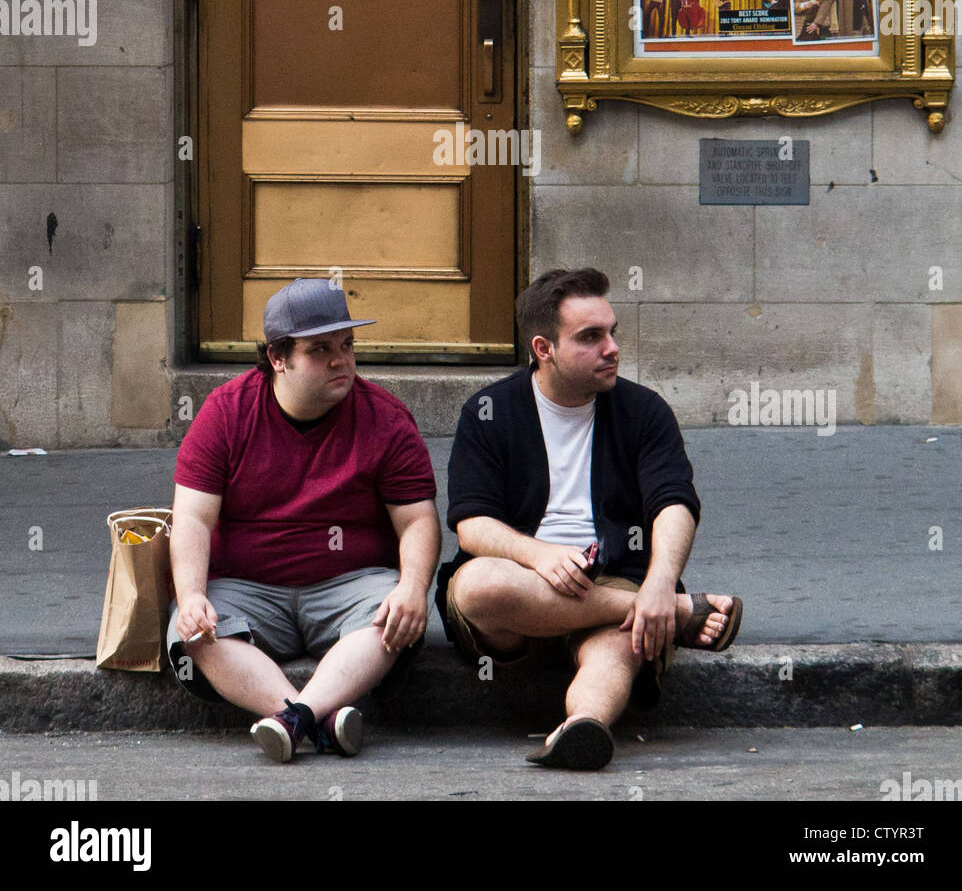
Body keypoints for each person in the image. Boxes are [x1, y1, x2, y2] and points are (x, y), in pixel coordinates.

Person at [435, 268, 742, 771]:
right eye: (590, 337)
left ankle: (583, 727)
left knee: (623, 642)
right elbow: (472, 524)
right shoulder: (489, 411)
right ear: (544, 348)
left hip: (615, 574)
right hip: (520, 591)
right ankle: (673, 611)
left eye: (613, 331)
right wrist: (540, 555)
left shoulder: (643, 411)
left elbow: (674, 502)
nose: (612, 347)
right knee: (476, 585)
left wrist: (660, 583)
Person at [168, 278, 440, 763]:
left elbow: (418, 520)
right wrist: (191, 596)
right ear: (278, 357)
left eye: (348, 345)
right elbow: (191, 516)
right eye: (321, 349)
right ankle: (312, 718)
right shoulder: (226, 413)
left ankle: (294, 721)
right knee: (191, 631)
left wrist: (413, 587)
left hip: (349, 586)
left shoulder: (386, 418)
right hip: (247, 587)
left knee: (392, 613)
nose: (342, 360)